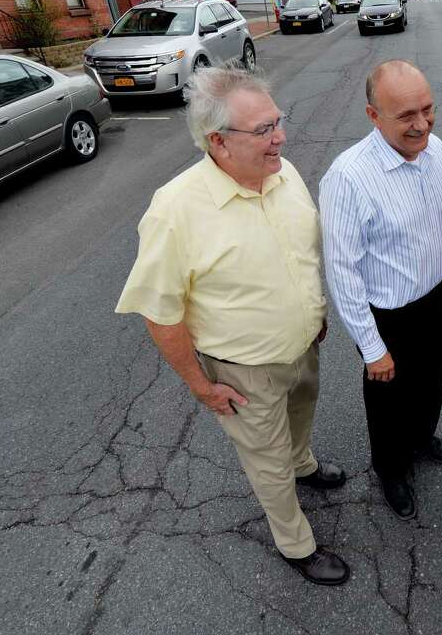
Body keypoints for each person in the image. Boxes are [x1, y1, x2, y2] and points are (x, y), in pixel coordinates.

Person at [115, 67, 350, 586]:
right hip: (244, 372)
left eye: (278, 121)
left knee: (301, 416)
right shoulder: (176, 209)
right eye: (264, 129)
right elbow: (161, 311)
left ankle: (304, 463)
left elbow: (302, 253)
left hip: (304, 346)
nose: (280, 137)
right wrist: (201, 386)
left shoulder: (284, 174)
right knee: (267, 462)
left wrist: (314, 314)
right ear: (217, 140)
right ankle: (295, 543)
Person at [319, 59, 442, 520]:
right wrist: (371, 346)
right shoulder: (348, 178)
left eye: (427, 109)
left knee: (430, 382)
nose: (422, 124)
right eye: (406, 115)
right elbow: (342, 270)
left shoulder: (437, 150)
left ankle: (421, 438)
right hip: (386, 315)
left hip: (431, 298)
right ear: (373, 115)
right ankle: (391, 468)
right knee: (388, 401)